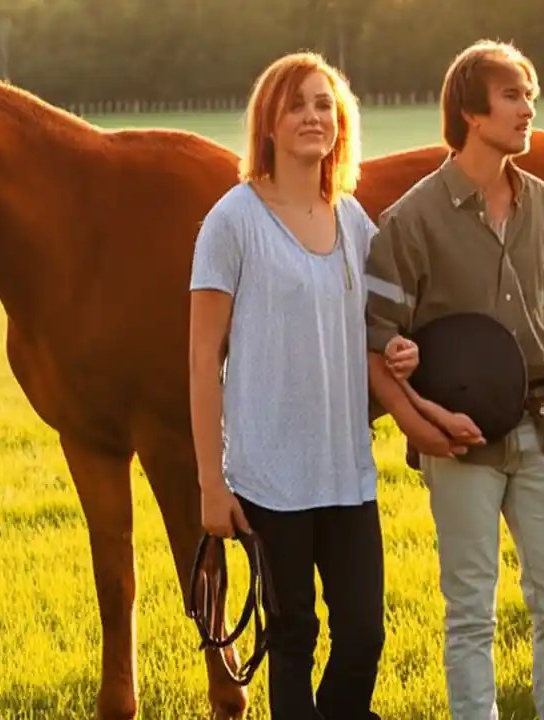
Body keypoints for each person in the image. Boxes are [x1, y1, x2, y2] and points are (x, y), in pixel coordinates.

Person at [363, 40, 544, 720]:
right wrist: (425, 420)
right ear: (471, 111)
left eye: (530, 94)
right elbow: (376, 341)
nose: (529, 108)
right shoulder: (410, 220)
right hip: (460, 442)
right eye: (513, 95)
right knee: (470, 612)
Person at [188, 51, 411, 719]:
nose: (314, 116)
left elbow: (373, 327)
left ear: (341, 123)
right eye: (298, 104)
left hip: (346, 472)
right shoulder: (232, 221)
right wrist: (210, 484)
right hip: (269, 477)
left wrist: (396, 349)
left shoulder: (352, 220)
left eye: (325, 104)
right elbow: (202, 358)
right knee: (291, 639)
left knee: (364, 635)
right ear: (269, 123)